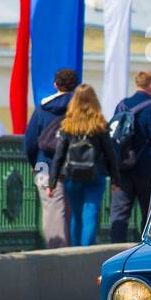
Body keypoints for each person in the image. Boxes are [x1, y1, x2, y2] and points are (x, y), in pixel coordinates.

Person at [47, 85, 120, 247]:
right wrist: (116, 179)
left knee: (76, 215)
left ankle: (76, 252)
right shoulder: (99, 124)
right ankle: (87, 250)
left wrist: (52, 182)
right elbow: (110, 154)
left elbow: (59, 155)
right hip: (96, 175)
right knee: (91, 214)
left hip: (72, 175)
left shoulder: (68, 124)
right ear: (94, 101)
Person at [108, 70, 151, 244]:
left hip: (121, 168)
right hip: (145, 168)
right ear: (150, 85)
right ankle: (145, 247)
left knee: (120, 213)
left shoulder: (122, 105)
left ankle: (115, 248)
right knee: (148, 212)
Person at [24, 68, 78, 247]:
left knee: (51, 209)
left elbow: (30, 141)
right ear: (75, 85)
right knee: (70, 211)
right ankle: (73, 252)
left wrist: (35, 163)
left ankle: (56, 253)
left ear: (55, 85)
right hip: (76, 165)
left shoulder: (42, 109)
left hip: (44, 164)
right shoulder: (80, 108)